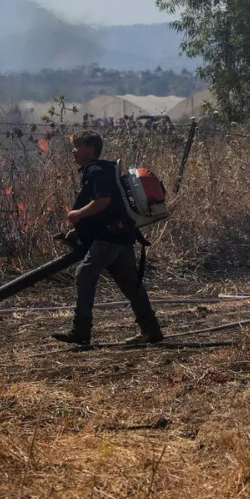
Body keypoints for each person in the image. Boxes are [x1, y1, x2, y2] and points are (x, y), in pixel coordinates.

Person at [50, 130, 164, 348]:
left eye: (78, 146)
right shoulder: (102, 170)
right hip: (121, 234)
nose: (74, 151)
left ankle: (80, 330)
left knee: (84, 273)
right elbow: (107, 210)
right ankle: (151, 330)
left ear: (90, 149)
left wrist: (77, 215)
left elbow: (102, 201)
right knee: (131, 284)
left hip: (110, 237)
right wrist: (79, 231)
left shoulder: (95, 171)